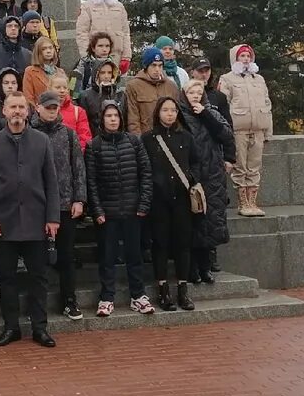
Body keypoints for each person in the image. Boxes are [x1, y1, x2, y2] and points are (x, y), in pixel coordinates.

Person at [0, 92, 60, 348]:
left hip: (37, 222)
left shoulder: (41, 141)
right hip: (4, 224)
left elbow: (51, 182)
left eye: (21, 107)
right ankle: (11, 327)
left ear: (28, 111)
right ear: (4, 111)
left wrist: (52, 217)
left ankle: (40, 328)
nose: (17, 111)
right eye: (12, 107)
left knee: (39, 278)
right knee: (6, 279)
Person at [85, 101, 154, 317]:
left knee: (134, 255)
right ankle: (107, 297)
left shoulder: (134, 142)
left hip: (134, 211)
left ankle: (138, 296)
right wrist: (97, 211)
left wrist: (143, 204)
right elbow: (91, 182)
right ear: (102, 119)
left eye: (116, 115)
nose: (113, 119)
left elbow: (146, 174)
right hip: (108, 213)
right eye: (108, 116)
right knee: (107, 257)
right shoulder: (94, 146)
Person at [142, 96, 203, 312]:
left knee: (183, 244)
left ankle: (183, 290)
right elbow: (144, 168)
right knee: (160, 244)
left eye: (173, 110)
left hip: (182, 198)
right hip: (158, 200)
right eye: (166, 110)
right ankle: (163, 289)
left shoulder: (185, 137)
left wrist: (191, 178)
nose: (170, 114)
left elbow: (196, 161)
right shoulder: (148, 139)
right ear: (158, 112)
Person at [30, 90, 87, 321]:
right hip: (37, 206)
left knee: (66, 256)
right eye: (48, 107)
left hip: (65, 204)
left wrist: (79, 199)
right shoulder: (29, 133)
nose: (52, 111)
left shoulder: (69, 135)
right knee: (38, 259)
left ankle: (69, 300)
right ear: (38, 107)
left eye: (55, 107)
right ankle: (38, 305)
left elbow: (78, 168)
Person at [179, 79, 234, 284]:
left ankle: (206, 265)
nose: (195, 95)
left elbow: (226, 135)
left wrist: (205, 113)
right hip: (192, 174)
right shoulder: (180, 115)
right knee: (193, 222)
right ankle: (193, 267)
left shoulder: (212, 113)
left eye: (198, 92)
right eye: (191, 92)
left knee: (210, 221)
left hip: (212, 174)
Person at [219, 44, 274, 217]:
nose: (246, 59)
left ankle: (253, 202)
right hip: (238, 130)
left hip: (258, 128)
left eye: (248, 56)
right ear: (235, 58)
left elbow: (267, 105)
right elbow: (223, 106)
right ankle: (243, 203)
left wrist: (268, 132)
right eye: (242, 56)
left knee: (254, 167)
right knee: (240, 166)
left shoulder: (259, 79)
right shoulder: (227, 79)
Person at [76, 0, 132, 77]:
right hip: (95, 55)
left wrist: (126, 57)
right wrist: (86, 55)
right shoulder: (87, 6)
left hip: (116, 55)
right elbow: (82, 33)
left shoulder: (119, 7)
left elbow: (126, 33)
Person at [126, 46, 181, 135]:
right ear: (146, 66)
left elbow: (178, 117)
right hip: (145, 138)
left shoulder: (171, 86)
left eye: (160, 65)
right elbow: (133, 119)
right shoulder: (133, 86)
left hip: (168, 137)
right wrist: (138, 142)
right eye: (153, 65)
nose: (157, 69)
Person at [0, 15, 30, 97]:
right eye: (9, 26)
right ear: (4, 29)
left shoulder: (28, 54)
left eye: (16, 26)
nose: (13, 28)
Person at [81, 59, 125, 138]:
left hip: (118, 140)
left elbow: (124, 120)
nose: (106, 76)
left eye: (109, 72)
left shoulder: (119, 95)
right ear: (96, 74)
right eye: (102, 72)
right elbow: (84, 123)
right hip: (95, 141)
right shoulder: (86, 96)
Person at [50, 71, 92, 151]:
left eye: (65, 88)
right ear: (49, 88)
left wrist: (76, 154)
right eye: (58, 87)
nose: (62, 91)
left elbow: (84, 137)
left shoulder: (78, 112)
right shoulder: (42, 111)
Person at [194, 55, 233, 130]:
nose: (204, 75)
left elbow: (228, 126)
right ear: (193, 72)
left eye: (206, 71)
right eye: (200, 71)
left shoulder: (219, 96)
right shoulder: (185, 95)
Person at [73, 32, 116, 99]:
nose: (104, 50)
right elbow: (74, 93)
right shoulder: (82, 64)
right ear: (93, 48)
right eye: (100, 46)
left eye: (107, 46)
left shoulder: (113, 66)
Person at [23, 36, 60, 106]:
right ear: (38, 52)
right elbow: (28, 98)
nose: (48, 51)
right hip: (39, 113)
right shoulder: (30, 71)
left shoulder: (60, 72)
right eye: (44, 49)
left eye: (50, 48)